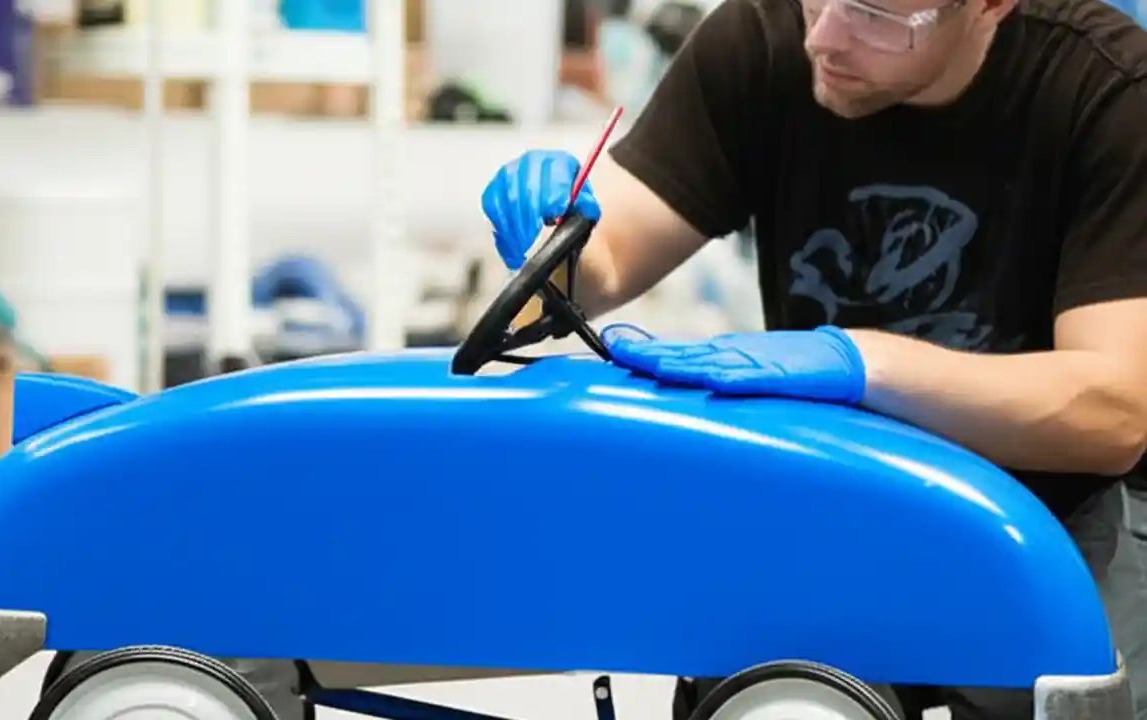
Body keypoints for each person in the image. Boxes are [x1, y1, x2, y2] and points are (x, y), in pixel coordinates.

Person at [479, 0, 1147, 718]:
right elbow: (610, 256)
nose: (823, 37)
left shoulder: (1107, 88)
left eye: (871, 17)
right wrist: (558, 236)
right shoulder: (764, 39)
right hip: (839, 500)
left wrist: (864, 367)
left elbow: (1114, 410)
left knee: (1080, 692)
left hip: (1056, 518)